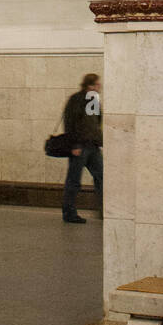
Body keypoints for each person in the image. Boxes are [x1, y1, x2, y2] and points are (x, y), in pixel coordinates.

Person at [61, 72, 103, 224]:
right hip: (80, 146)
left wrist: (99, 140)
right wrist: (75, 145)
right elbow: (70, 123)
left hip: (92, 146)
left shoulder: (94, 100)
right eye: (97, 85)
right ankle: (69, 212)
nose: (100, 88)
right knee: (74, 180)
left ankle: (105, 210)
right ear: (90, 85)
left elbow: (95, 123)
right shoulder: (76, 99)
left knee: (101, 177)